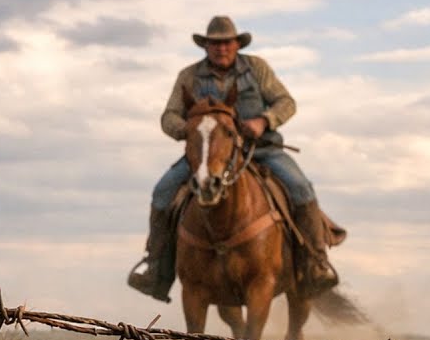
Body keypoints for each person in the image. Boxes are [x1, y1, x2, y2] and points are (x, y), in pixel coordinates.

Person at [127, 15, 339, 302]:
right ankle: (155, 267)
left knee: (301, 188)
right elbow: (169, 116)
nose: (221, 48)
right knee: (163, 192)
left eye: (227, 42)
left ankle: (316, 263)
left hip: (261, 150)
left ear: (237, 44)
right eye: (215, 44)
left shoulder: (257, 68)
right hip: (208, 156)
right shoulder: (189, 76)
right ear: (205, 46)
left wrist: (264, 120)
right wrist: (186, 130)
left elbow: (286, 102)